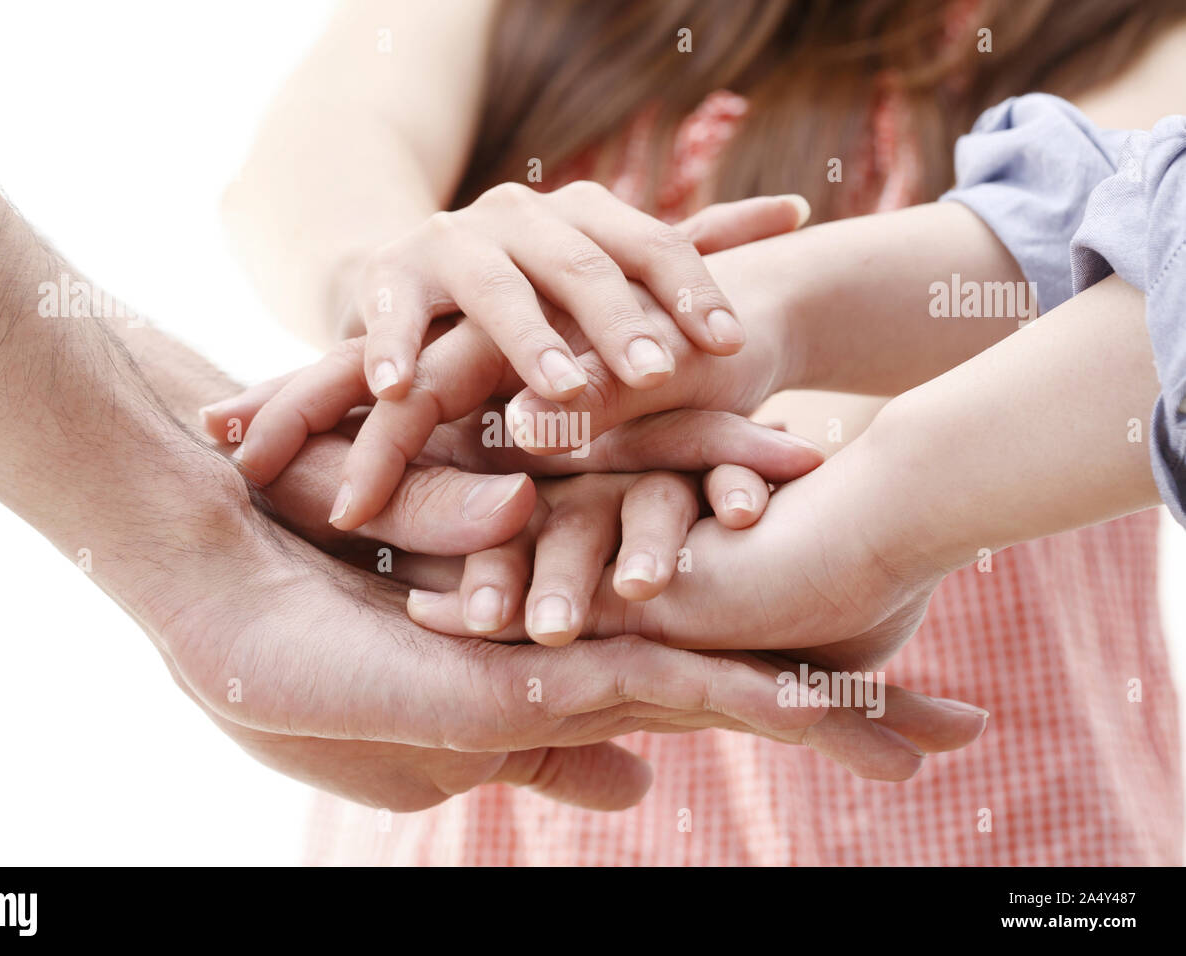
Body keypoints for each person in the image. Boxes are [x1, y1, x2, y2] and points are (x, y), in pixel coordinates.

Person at [0, 36, 982, 826]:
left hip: (972, 811)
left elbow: (1039, 288)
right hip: (458, 720)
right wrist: (428, 312)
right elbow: (313, 160)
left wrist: (707, 457)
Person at [221, 0, 1186, 863]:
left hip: (978, 817)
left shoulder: (1132, 27)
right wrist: (404, 307)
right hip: (492, 805)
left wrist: (559, 455)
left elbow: (1113, 276)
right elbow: (318, 165)